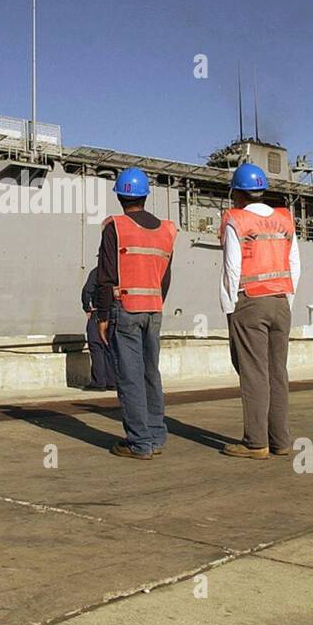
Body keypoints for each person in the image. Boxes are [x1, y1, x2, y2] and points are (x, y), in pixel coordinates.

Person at [219, 163, 300, 458]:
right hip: (281, 301)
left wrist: (230, 308)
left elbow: (232, 268)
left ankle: (256, 442)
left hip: (250, 302)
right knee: (278, 372)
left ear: (238, 194)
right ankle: (281, 440)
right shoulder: (284, 219)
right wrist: (287, 300)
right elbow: (295, 265)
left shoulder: (236, 220)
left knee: (253, 373)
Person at [94, 167, 175, 459]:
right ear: (145, 195)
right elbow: (165, 276)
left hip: (124, 309)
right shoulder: (167, 229)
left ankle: (139, 444)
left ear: (119, 196)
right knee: (151, 373)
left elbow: (105, 276)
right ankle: (156, 436)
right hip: (154, 310)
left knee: (129, 377)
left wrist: (103, 316)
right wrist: (155, 301)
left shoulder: (115, 226)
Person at [80, 267, 116, 390]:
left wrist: (87, 307)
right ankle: (112, 381)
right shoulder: (120, 271)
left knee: (96, 346)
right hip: (116, 313)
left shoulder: (98, 272)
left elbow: (87, 290)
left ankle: (99, 382)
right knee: (110, 346)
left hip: (99, 312)